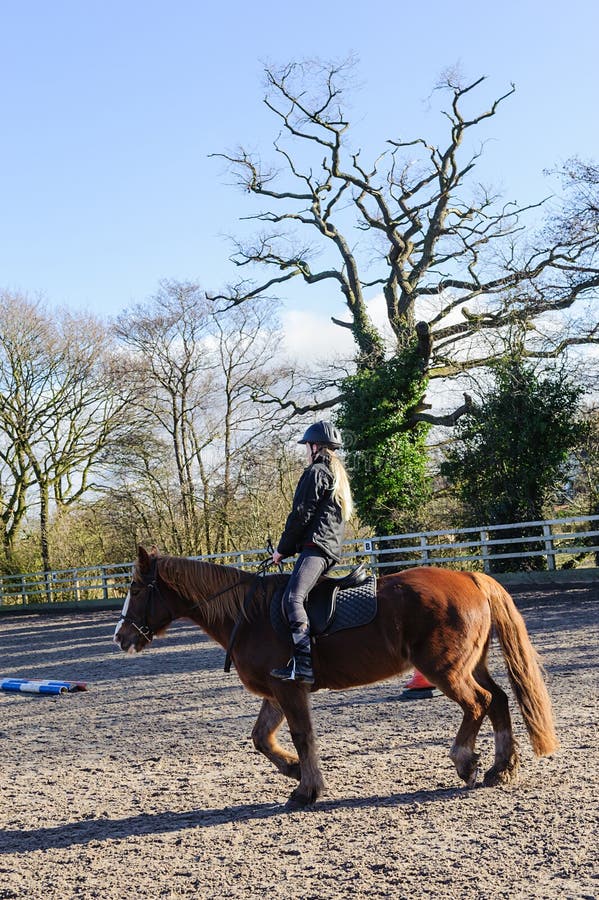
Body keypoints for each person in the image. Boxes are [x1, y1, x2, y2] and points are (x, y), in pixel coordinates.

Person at [270, 421, 353, 685]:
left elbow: (300, 515)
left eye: (307, 446)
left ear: (315, 446)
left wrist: (282, 550)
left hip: (316, 548)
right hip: (326, 547)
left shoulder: (316, 472)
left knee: (292, 598)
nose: (306, 450)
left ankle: (303, 666)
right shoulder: (334, 473)